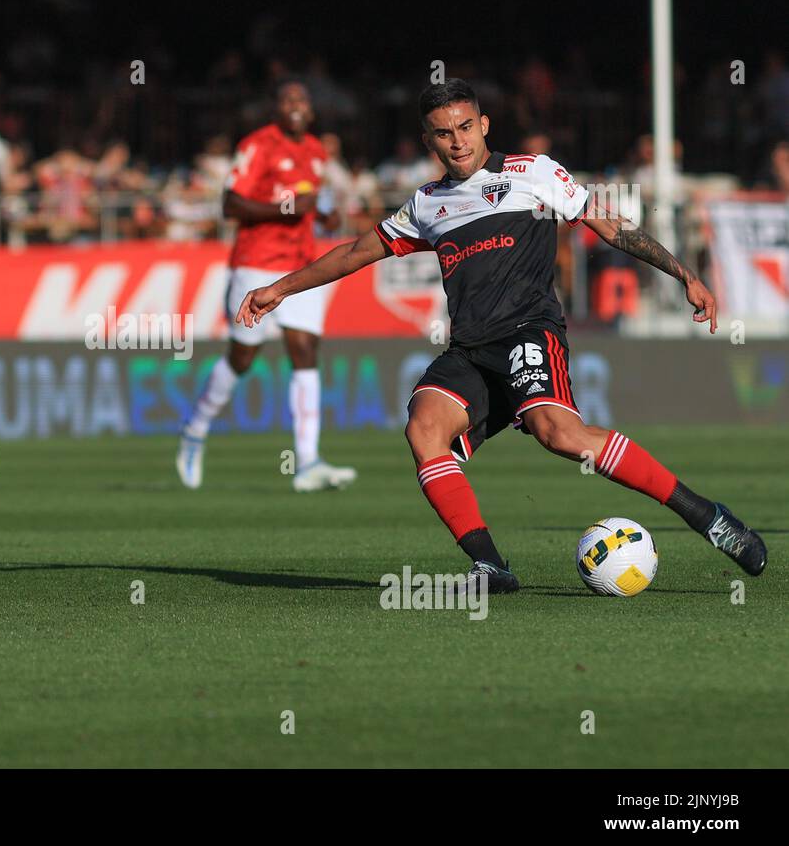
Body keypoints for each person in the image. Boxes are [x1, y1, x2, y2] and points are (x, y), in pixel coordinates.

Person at [237, 78, 766, 591]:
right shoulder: (426, 205)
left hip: (528, 331)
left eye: (466, 126)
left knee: (557, 433)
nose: (457, 140)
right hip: (470, 349)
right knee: (424, 430)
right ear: (428, 140)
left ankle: (708, 517)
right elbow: (356, 252)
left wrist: (683, 274)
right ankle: (491, 566)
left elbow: (609, 224)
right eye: (443, 133)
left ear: (484, 124)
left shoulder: (532, 173)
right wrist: (280, 289)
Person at [178, 81, 355, 492]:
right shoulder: (259, 145)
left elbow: (316, 205)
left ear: (310, 110)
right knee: (243, 356)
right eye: (288, 99)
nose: (295, 106)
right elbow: (230, 203)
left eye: (302, 100)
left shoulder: (315, 151)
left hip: (300, 266)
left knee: (305, 350)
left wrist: (325, 216)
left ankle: (308, 461)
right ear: (276, 108)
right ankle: (196, 426)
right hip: (257, 263)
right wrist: (286, 208)